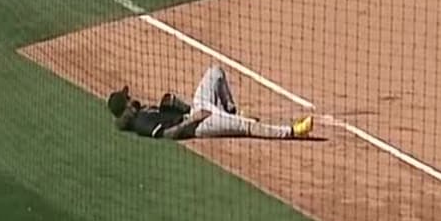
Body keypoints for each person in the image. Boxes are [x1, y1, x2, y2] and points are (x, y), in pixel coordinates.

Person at [107, 65, 314, 140]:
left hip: (196, 111)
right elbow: (169, 134)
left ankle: (231, 113)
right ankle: (293, 131)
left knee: (215, 72)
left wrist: (177, 105)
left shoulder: (141, 111)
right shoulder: (141, 123)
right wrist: (193, 119)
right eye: (127, 98)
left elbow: (169, 114)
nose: (131, 98)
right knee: (247, 127)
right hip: (198, 126)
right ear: (125, 107)